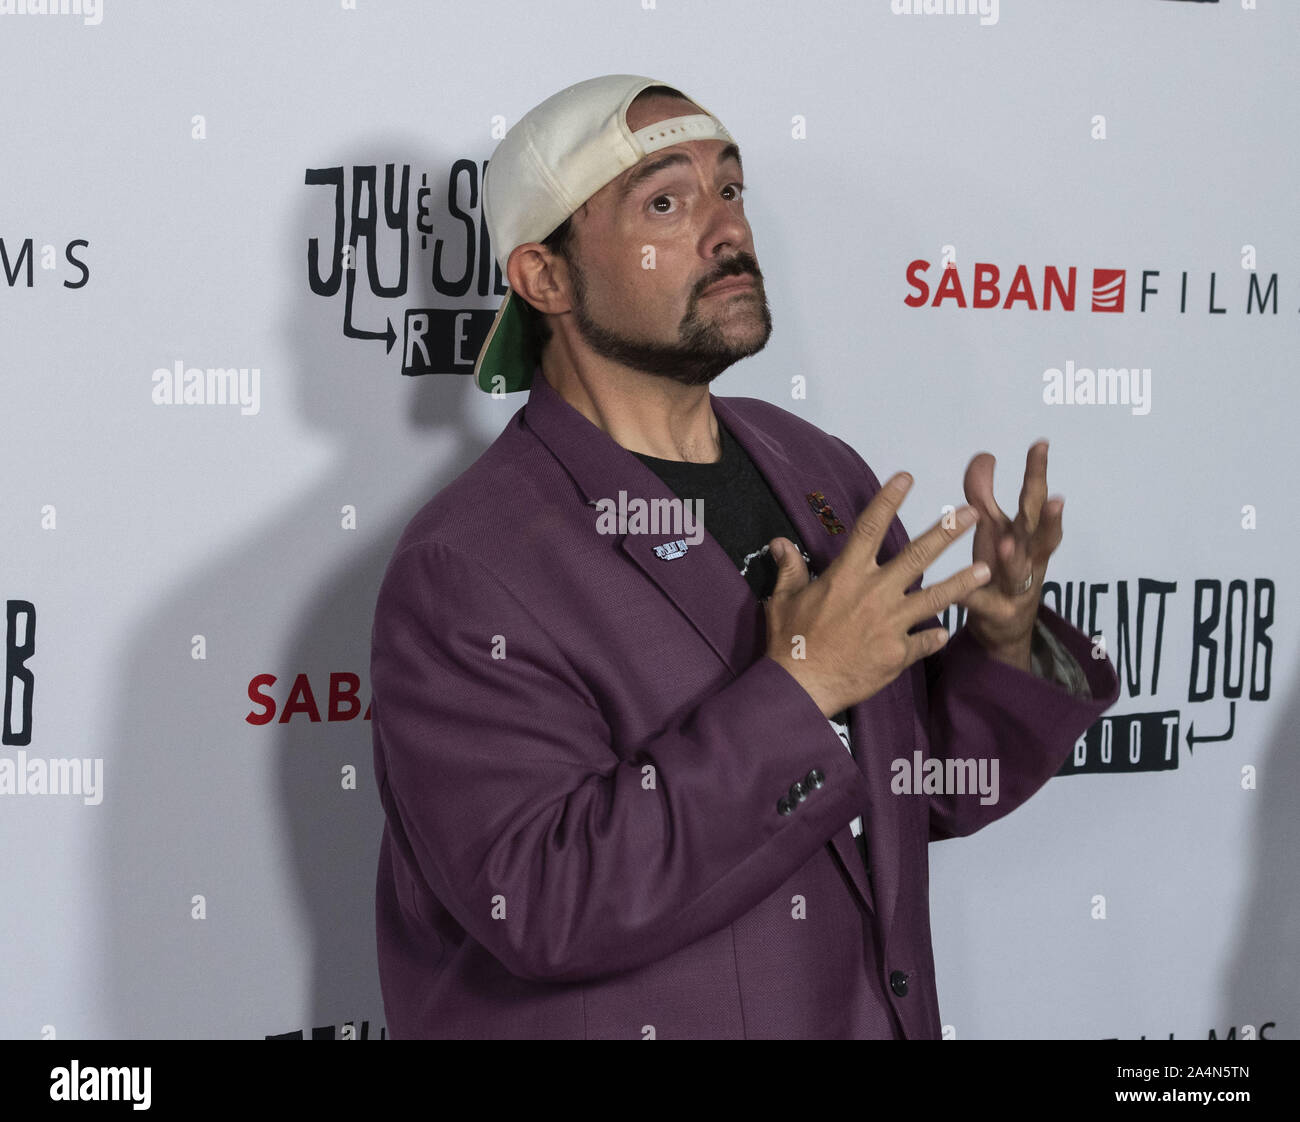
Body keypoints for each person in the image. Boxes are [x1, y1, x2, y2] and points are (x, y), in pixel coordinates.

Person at [369, 74, 1120, 1039]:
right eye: (666, 202)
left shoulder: (819, 470)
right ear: (544, 279)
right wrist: (802, 687)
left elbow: (910, 792)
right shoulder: (465, 565)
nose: (726, 232)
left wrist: (1005, 643)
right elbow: (543, 902)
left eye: (731, 190)